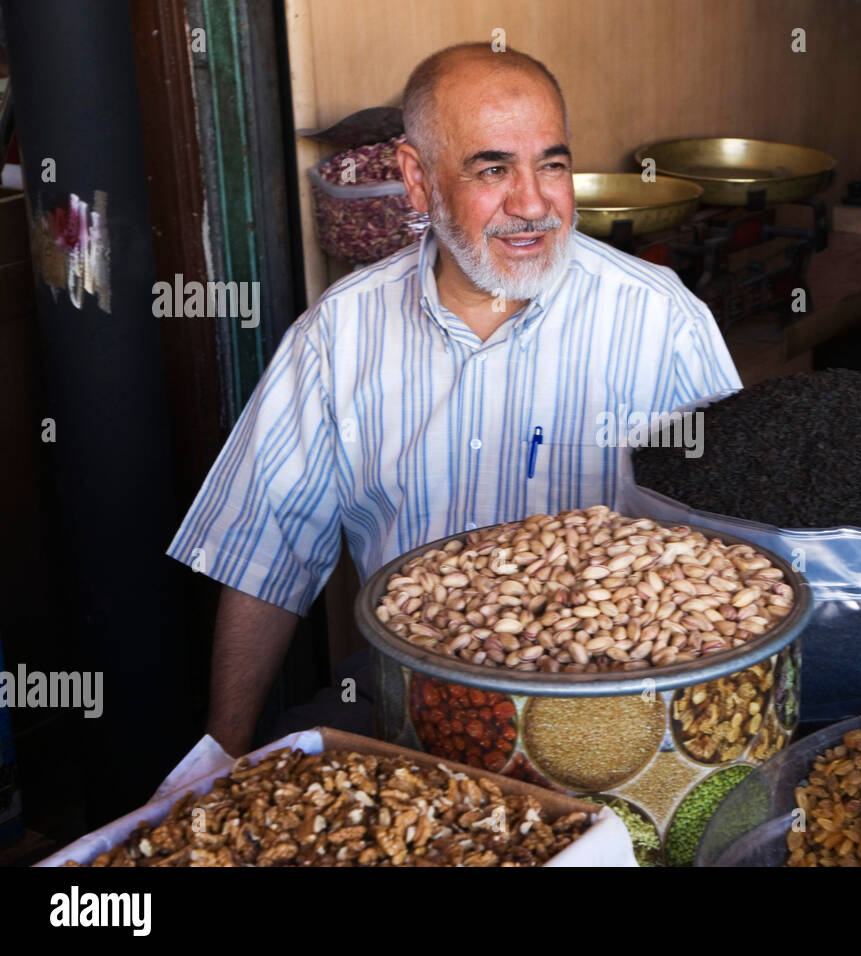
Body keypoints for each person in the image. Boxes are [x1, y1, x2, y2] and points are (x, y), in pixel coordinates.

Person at [166, 42, 741, 756]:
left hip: (614, 706)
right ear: (416, 178)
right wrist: (216, 758)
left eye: (552, 165)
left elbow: (735, 560)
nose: (532, 204)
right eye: (492, 169)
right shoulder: (338, 336)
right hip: (404, 693)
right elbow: (261, 557)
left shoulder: (661, 322)